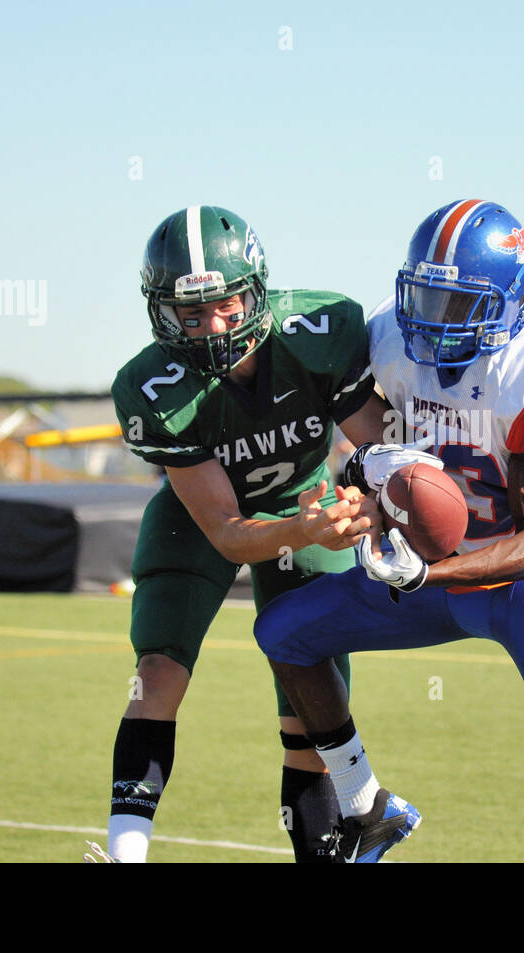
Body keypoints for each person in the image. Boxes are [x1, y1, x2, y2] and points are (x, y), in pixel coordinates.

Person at [255, 199, 524, 862]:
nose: (430, 319)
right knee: (284, 632)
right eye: (424, 295)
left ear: (509, 303)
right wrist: (369, 483)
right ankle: (366, 807)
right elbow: (379, 454)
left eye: (456, 303)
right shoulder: (392, 340)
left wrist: (428, 573)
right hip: (434, 559)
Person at [97, 205, 429, 863]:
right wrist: (302, 525)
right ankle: (124, 854)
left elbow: (389, 449)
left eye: (225, 304)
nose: (213, 326)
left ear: (257, 289)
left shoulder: (319, 328)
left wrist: (385, 511)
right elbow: (223, 527)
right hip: (198, 521)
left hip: (305, 494)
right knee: (157, 672)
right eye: (190, 314)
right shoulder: (152, 385)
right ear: (162, 314)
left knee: (307, 708)